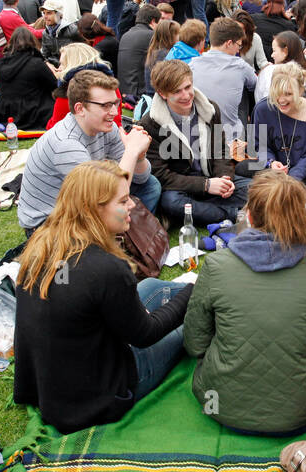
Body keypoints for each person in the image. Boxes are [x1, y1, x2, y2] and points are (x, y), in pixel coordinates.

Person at [14, 160, 192, 434]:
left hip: (50, 384)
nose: (132, 204)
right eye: (122, 200)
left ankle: (200, 291)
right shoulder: (105, 268)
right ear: (93, 209)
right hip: (98, 394)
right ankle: (206, 297)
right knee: (186, 324)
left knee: (152, 286)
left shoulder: (43, 242)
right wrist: (192, 294)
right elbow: (145, 334)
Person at [184, 169, 306, 434]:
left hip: (221, 405)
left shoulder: (216, 265)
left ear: (250, 215)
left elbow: (195, 343)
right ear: (301, 216)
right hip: (304, 412)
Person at [18, 69, 159, 232]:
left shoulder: (107, 127)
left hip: (85, 201)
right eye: (106, 106)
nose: (114, 112)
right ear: (80, 109)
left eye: (115, 103)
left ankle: (132, 237)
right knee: (107, 204)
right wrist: (131, 152)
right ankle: (122, 239)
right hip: (49, 223)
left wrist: (139, 157)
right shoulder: (66, 143)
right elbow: (103, 196)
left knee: (150, 185)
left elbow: (142, 178)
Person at [139, 59, 251, 226]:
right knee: (171, 203)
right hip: (182, 187)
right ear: (162, 94)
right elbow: (160, 175)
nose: (186, 95)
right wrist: (206, 185)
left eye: (188, 87)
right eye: (177, 91)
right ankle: (235, 215)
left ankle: (205, 211)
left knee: (256, 187)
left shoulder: (210, 108)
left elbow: (220, 150)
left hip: (212, 176)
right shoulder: (150, 124)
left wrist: (224, 179)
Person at [242, 62, 306, 201]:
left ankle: (277, 191)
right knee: (242, 168)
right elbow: (260, 145)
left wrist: (293, 177)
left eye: (288, 94)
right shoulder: (262, 108)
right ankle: (290, 192)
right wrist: (271, 163)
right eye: (276, 93)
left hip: (303, 169)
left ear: (301, 90)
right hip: (272, 167)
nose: (281, 100)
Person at [190, 16, 256, 139]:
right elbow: (255, 85)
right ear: (229, 43)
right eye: (238, 45)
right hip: (230, 138)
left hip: (198, 134)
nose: (238, 50)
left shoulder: (192, 64)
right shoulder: (240, 66)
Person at [0, 26, 57, 129]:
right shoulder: (37, 64)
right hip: (33, 112)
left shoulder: (0, 64)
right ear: (32, 42)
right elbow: (54, 85)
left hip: (5, 113)